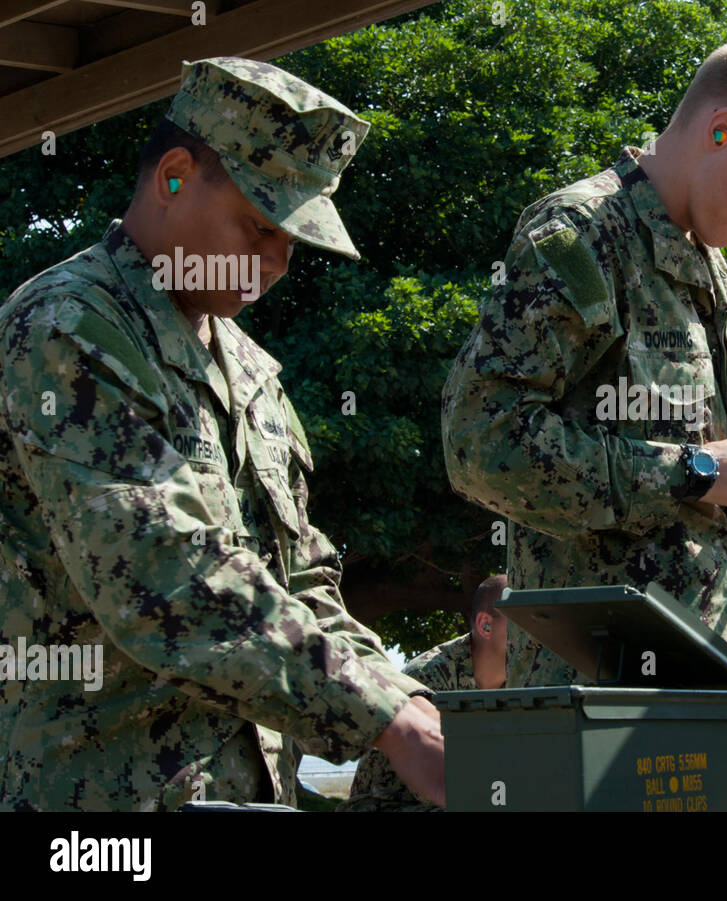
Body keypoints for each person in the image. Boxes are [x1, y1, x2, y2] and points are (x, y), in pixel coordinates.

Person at [0, 58, 445, 811]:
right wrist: (385, 717)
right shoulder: (67, 330)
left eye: (291, 240)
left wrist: (419, 706)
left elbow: (303, 584)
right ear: (173, 177)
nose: (274, 265)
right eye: (258, 226)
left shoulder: (248, 369)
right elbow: (161, 573)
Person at [441, 18, 727, 687]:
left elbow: (684, 491)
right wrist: (698, 471)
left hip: (704, 690)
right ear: (720, 129)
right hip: (602, 703)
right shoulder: (582, 237)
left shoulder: (704, 267)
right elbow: (480, 444)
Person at [341, 575, 508, 812]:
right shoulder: (428, 677)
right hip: (384, 805)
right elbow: (442, 785)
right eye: (523, 620)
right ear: (485, 626)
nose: (537, 631)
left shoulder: (524, 678)